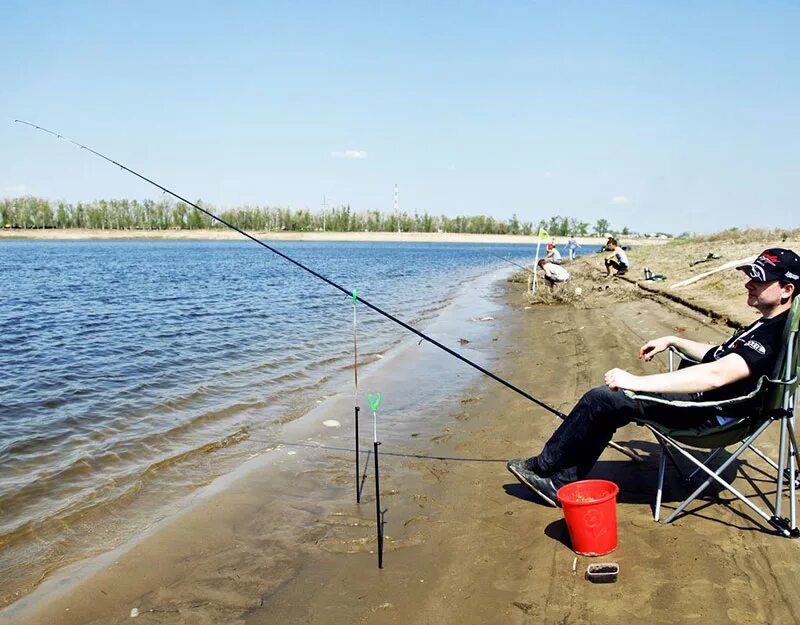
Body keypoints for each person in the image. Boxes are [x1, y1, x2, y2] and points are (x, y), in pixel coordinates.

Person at [508, 248, 800, 506]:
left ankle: (550, 473)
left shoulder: (771, 335)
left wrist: (635, 382)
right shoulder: (771, 324)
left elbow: (717, 374)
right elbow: (720, 355)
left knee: (604, 398)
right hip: (709, 403)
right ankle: (557, 474)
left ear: (786, 289)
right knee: (611, 403)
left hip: (708, 414)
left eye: (759, 280)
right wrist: (675, 340)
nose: (749, 283)